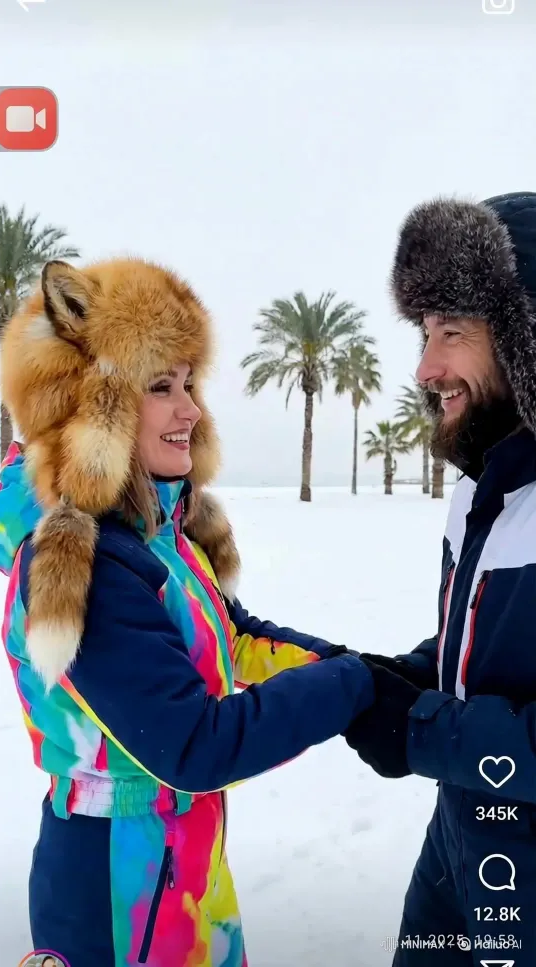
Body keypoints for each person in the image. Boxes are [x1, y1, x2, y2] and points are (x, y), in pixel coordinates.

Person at [0, 257, 373, 967]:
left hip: (185, 875)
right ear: (93, 408)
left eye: (190, 383)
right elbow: (194, 745)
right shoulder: (88, 566)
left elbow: (236, 639)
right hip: (115, 891)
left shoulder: (160, 540)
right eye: (160, 387)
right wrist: (349, 691)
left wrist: (374, 670)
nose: (191, 409)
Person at [345, 192, 536, 964]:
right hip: (458, 844)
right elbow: (487, 646)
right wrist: (403, 676)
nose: (426, 369)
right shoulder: (479, 491)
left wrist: (421, 727)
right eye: (425, 333)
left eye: (452, 332)